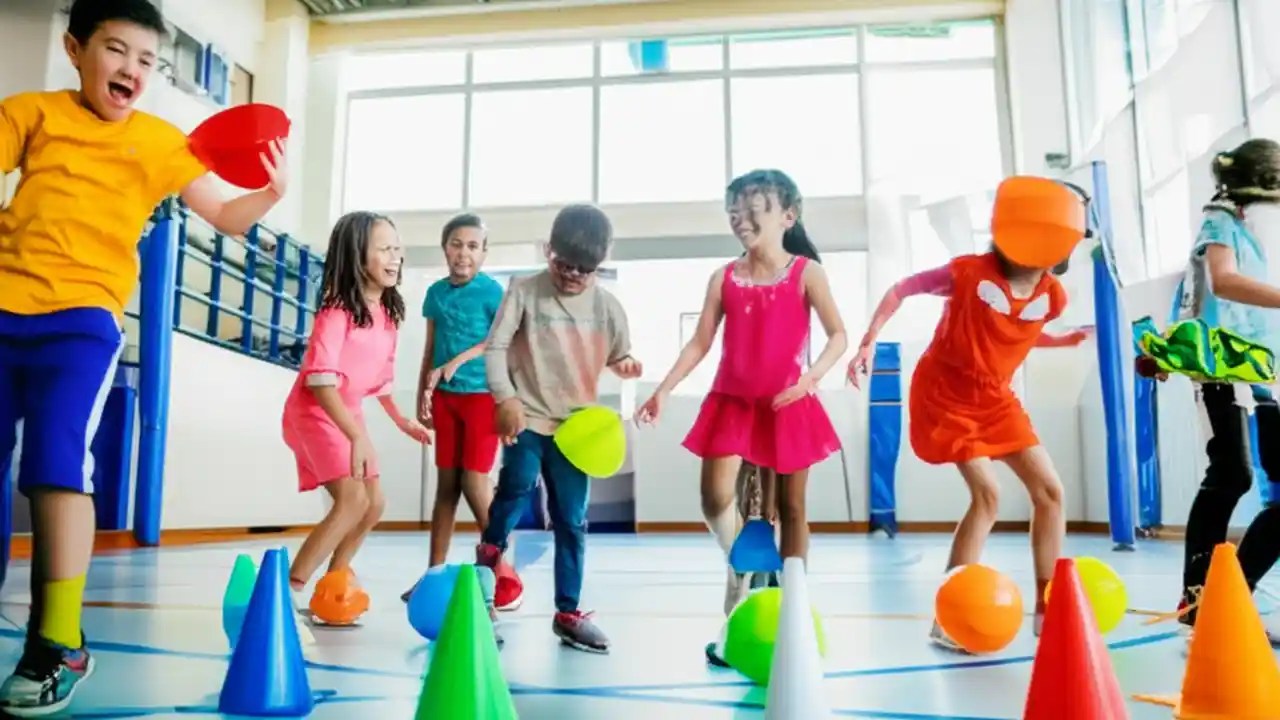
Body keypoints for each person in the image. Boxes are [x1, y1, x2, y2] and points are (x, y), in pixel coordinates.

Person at [0, 0, 289, 713]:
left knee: (56, 467)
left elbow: (222, 212)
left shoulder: (162, 143)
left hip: (83, 322)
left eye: (146, 60)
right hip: (3, 308)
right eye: (116, 49)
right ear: (76, 49)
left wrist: (269, 194)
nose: (131, 68)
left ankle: (58, 642)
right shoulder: (31, 113)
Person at [847, 176, 1091, 652]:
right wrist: (869, 339)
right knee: (988, 495)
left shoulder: (1052, 296)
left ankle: (1047, 606)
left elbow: (1018, 328)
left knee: (1050, 492)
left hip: (995, 397)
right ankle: (947, 617)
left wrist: (1061, 340)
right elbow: (902, 289)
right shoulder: (967, 273)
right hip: (946, 392)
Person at [637, 169, 847, 662]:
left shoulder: (806, 273)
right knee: (714, 499)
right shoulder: (724, 277)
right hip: (731, 403)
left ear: (787, 216)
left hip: (788, 403)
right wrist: (664, 389)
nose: (741, 219)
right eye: (735, 210)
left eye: (754, 210)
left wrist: (808, 380)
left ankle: (792, 603)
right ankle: (748, 566)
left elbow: (838, 335)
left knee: (792, 510)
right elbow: (701, 341)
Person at [478, 204, 641, 654]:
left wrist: (625, 365)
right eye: (563, 264)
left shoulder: (608, 308)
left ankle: (567, 612)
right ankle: (489, 557)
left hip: (576, 430)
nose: (572, 275)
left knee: (572, 520)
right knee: (516, 486)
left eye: (583, 270)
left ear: (599, 265)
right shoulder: (524, 291)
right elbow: (496, 347)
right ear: (549, 251)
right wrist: (505, 398)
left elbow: (618, 355)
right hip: (527, 415)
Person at [283, 212, 430, 624]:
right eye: (385, 248)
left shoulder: (387, 314)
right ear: (356, 255)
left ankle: (333, 582)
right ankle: (290, 587)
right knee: (352, 500)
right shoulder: (335, 312)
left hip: (348, 414)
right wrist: (357, 437)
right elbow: (320, 382)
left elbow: (379, 382)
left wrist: (402, 421)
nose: (395, 257)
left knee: (374, 502)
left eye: (397, 249)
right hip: (316, 412)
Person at [1166, 139, 1280, 647]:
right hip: (1221, 367)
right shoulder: (1221, 219)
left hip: (1265, 370)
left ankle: (1230, 596)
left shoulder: (1264, 227)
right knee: (1231, 473)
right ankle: (1198, 601)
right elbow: (1225, 280)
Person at [400, 214, 504, 603]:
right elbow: (431, 347)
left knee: (474, 482)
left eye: (473, 246)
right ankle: (433, 573)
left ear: (484, 253)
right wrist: (420, 396)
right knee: (446, 486)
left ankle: (501, 571)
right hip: (444, 399)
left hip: (481, 397)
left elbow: (501, 343)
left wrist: (459, 363)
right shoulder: (436, 294)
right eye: (457, 244)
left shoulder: (493, 292)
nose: (464, 253)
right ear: (445, 248)